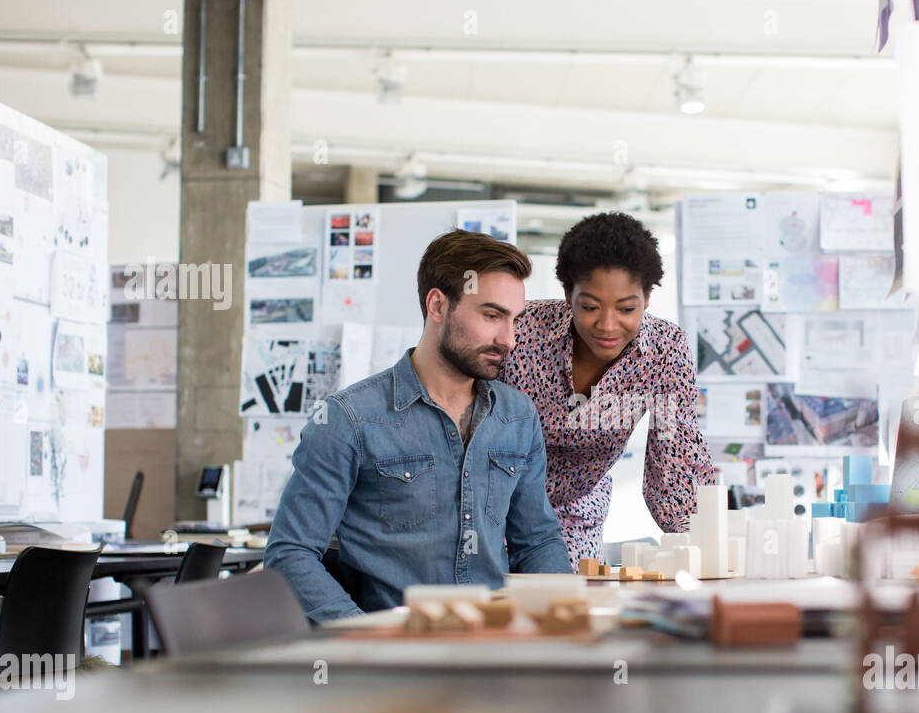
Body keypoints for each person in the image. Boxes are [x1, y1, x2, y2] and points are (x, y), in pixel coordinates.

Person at [265, 231, 572, 621]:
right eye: (491, 316)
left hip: (492, 649)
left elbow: (537, 541)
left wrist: (565, 617)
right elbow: (289, 553)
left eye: (515, 319)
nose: (508, 338)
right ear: (438, 305)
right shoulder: (348, 419)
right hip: (396, 658)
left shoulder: (518, 416)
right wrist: (369, 638)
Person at [499, 212, 717, 566]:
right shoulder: (521, 332)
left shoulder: (664, 351)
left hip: (575, 515)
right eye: (589, 307)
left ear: (647, 297)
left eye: (627, 308)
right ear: (568, 293)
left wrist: (702, 547)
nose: (607, 325)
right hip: (495, 507)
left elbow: (675, 458)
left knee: (565, 611)